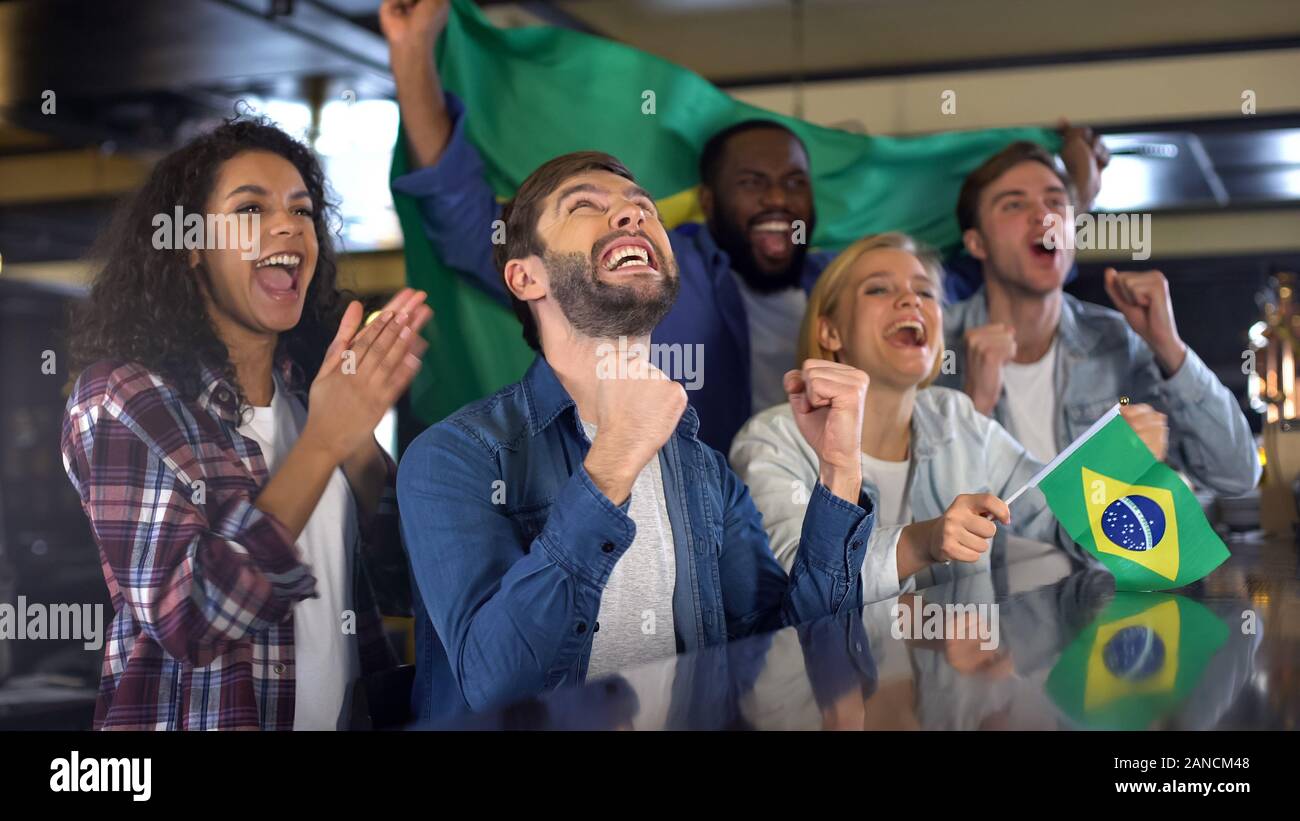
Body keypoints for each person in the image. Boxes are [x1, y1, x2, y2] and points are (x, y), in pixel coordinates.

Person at [379, 0, 1108, 451]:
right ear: (706, 197)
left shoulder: (857, 285)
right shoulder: (665, 271)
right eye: (752, 182)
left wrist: (1074, 193)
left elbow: (1001, 261)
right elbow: (470, 224)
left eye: (795, 182)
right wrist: (412, 56)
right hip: (693, 532)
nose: (778, 200)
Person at [396, 149, 876, 720]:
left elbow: (793, 663)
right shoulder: (455, 457)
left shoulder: (700, 469)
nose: (632, 218)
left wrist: (839, 471)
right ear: (526, 277)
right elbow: (500, 687)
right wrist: (614, 461)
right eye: (585, 207)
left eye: (643, 208)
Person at [60, 117, 431, 730]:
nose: (288, 225)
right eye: (251, 208)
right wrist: (323, 443)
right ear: (191, 245)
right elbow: (193, 616)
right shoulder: (122, 396)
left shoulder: (313, 397)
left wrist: (358, 444)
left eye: (302, 210)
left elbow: (408, 588)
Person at [730, 233, 1171, 601]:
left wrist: (1119, 467)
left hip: (955, 702)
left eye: (925, 292)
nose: (911, 301)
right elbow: (792, 585)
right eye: (880, 289)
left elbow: (1065, 523)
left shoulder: (957, 418)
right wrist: (922, 541)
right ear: (830, 331)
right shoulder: (772, 440)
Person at [937, 141, 1260, 495]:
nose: (1043, 216)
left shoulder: (1116, 342)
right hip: (979, 553)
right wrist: (974, 410)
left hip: (1095, 553)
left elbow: (1238, 475)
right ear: (977, 243)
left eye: (1056, 202)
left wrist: (1169, 347)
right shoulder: (936, 347)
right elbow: (913, 514)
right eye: (1014, 204)